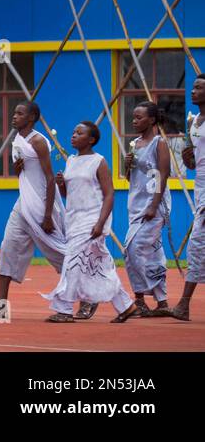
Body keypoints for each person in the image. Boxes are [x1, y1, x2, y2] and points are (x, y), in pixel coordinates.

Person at [0, 102, 69, 319]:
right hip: (23, 206)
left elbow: (49, 178)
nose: (14, 116)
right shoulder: (17, 139)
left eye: (20, 113)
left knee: (61, 254)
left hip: (41, 206)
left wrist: (48, 216)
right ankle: (1, 307)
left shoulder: (38, 141)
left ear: (31, 117)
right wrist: (19, 171)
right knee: (8, 249)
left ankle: (87, 297)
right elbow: (28, 173)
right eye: (14, 112)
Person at [43, 122, 135, 323]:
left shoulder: (98, 161)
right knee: (99, 265)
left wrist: (100, 223)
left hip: (92, 220)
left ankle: (64, 308)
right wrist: (61, 185)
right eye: (73, 132)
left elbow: (109, 194)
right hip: (74, 219)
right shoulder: (71, 161)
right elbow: (70, 195)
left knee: (72, 261)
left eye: (79, 133)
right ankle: (126, 305)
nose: (73, 135)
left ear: (91, 139)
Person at [114, 101, 172, 321]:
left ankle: (139, 298)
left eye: (139, 117)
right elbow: (130, 178)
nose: (134, 121)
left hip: (154, 205)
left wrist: (154, 205)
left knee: (132, 249)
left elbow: (162, 176)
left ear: (152, 120)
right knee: (153, 252)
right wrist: (126, 165)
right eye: (134, 117)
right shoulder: (134, 144)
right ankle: (160, 301)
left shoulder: (159, 143)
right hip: (135, 205)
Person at [167, 73, 205, 320]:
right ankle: (183, 304)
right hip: (200, 187)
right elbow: (192, 164)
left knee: (197, 244)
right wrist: (187, 154)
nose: (193, 91)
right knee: (199, 246)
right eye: (192, 87)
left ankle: (183, 303)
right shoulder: (194, 122)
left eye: (199, 88)